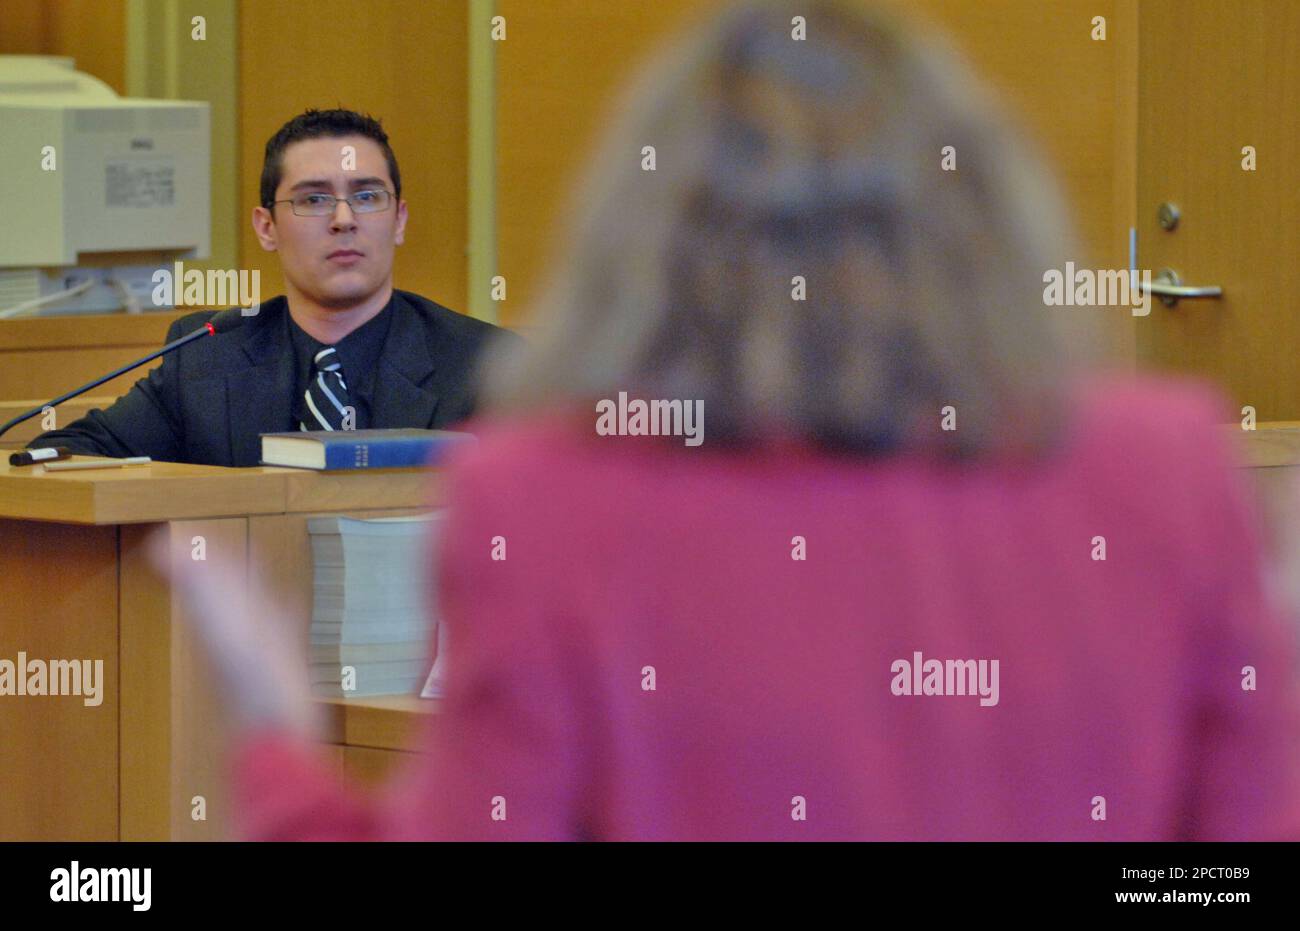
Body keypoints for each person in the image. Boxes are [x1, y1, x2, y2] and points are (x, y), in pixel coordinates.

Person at [156, 0, 1300, 839]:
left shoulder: (543, 498)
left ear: (643, 228)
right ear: (985, 208)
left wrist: (278, 749)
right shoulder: (1165, 471)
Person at [33, 108, 516, 466]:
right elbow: (65, 454)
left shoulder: (487, 368)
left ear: (399, 220)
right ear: (266, 228)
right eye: (314, 199)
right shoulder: (207, 357)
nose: (344, 219)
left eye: (367, 196)